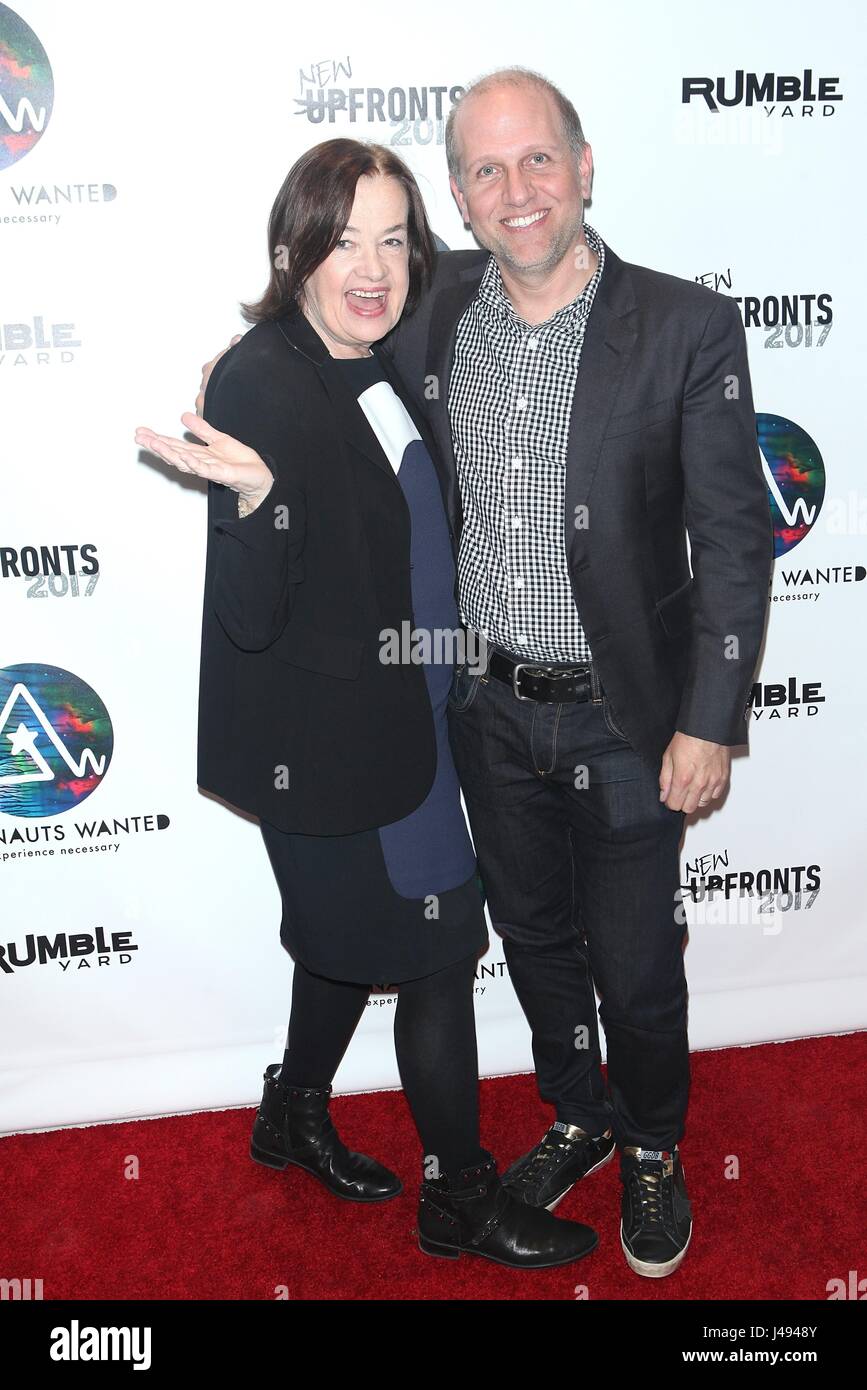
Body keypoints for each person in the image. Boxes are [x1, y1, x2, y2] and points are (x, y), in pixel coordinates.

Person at [197, 69, 775, 1280]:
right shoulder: (428, 300)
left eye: (538, 161)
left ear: (583, 164)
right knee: (536, 939)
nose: (515, 193)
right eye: (484, 171)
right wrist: (242, 372)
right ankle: (576, 1112)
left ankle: (655, 1146)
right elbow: (312, 340)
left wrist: (710, 720)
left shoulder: (681, 326)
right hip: (483, 709)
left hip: (626, 719)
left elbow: (732, 536)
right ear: (458, 194)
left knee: (635, 957)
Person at [135, 137, 598, 1270]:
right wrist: (251, 502)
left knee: (346, 943)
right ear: (297, 245)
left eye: (394, 237)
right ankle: (460, 1197)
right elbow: (251, 617)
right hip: (340, 746)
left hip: (413, 720)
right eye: (345, 238)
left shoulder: (381, 354)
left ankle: (292, 1111)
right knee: (439, 953)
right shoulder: (264, 381)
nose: (374, 264)